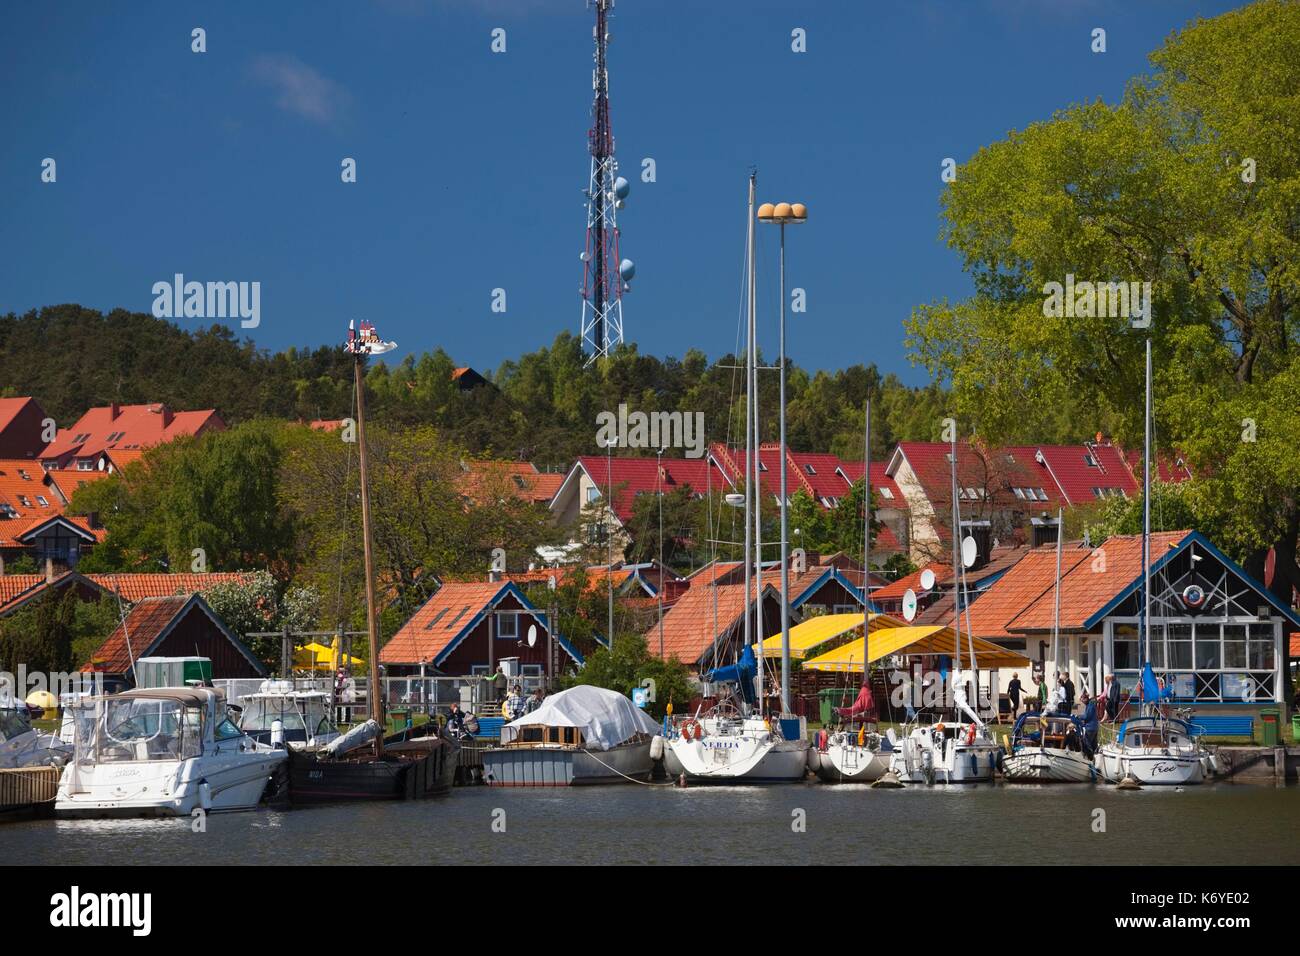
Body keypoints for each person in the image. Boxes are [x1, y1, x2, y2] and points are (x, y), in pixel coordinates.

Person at [1077, 690, 1099, 757]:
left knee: (1087, 743)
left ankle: (1090, 757)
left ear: (1086, 699)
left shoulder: (1090, 706)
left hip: (1090, 728)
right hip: (1094, 727)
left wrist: (1078, 717)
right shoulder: (1090, 705)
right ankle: (1095, 757)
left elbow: (1087, 716)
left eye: (1082, 700)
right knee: (1094, 744)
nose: (1082, 702)